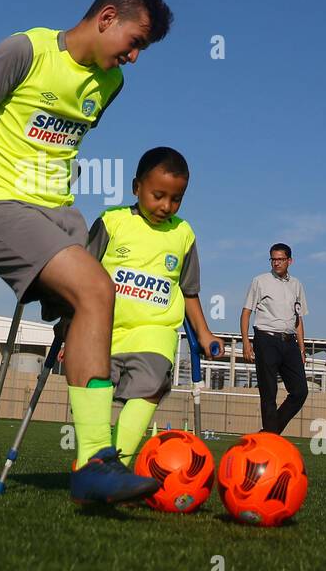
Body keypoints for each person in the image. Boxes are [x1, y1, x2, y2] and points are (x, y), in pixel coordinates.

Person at [0, 0, 174, 505]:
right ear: (107, 17)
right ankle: (97, 461)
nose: (135, 57)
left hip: (60, 219)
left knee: (89, 310)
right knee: (97, 291)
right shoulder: (23, 51)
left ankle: (93, 460)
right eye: (134, 41)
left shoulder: (110, 86)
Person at [84, 147, 223, 465]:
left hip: (155, 331)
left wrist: (204, 333)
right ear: (136, 187)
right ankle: (93, 460)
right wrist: (69, 326)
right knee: (95, 391)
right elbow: (82, 277)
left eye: (176, 199)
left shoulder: (183, 234)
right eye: (158, 195)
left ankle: (116, 464)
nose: (166, 206)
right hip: (101, 329)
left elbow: (189, 291)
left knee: (151, 386)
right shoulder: (112, 222)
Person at [241, 243, 309, 435]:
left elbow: (298, 319)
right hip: (266, 340)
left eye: (280, 259)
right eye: (273, 259)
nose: (276, 263)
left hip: (290, 343)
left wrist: (302, 348)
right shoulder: (260, 281)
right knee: (269, 393)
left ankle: (269, 433)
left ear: (290, 261)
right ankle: (270, 439)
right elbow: (246, 313)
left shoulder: (297, 284)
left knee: (300, 391)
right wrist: (246, 342)